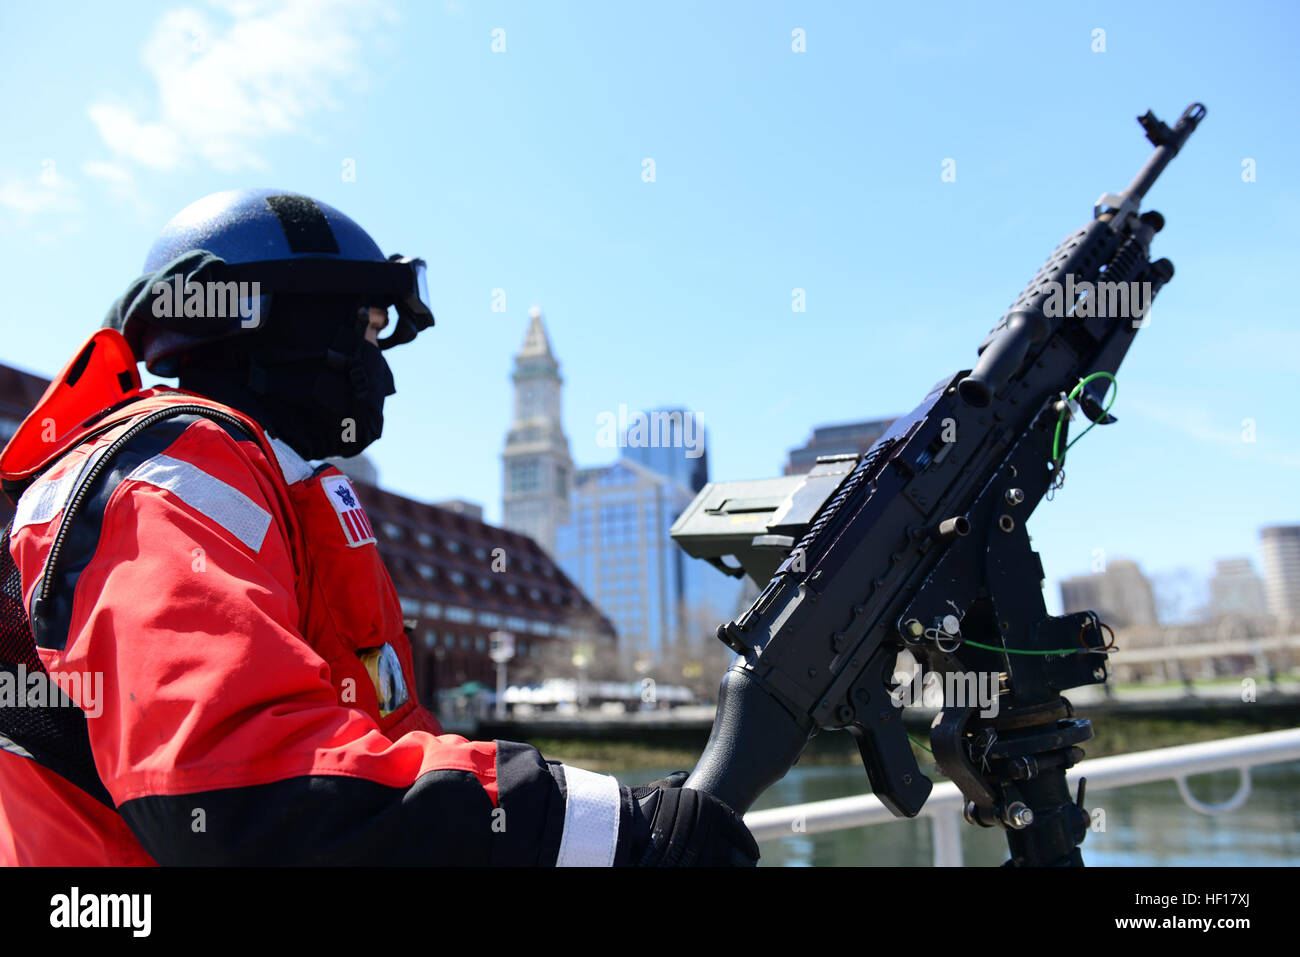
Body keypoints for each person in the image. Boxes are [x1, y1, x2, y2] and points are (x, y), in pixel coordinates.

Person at [0, 189, 759, 866]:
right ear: (268, 316)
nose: (380, 367)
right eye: (362, 330)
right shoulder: (173, 474)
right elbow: (236, 791)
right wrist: (598, 831)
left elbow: (384, 748)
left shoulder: (260, 474)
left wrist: (612, 813)